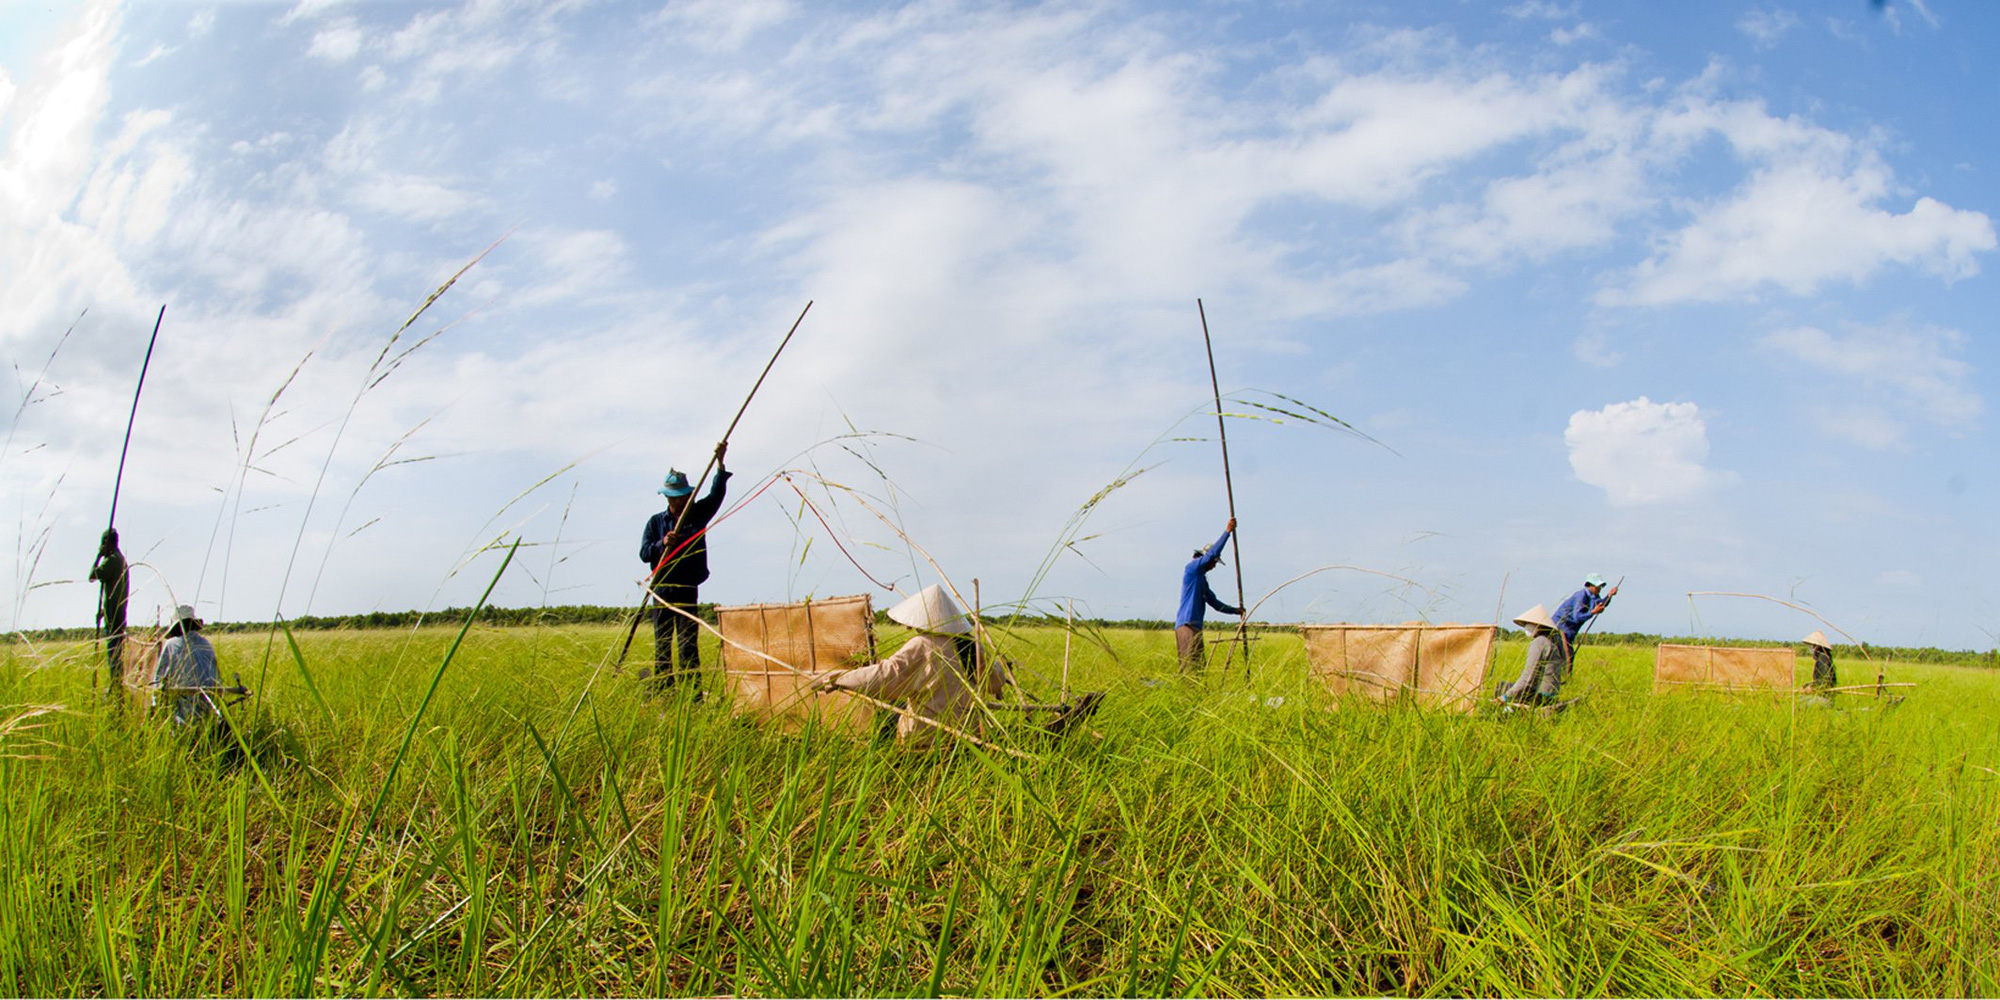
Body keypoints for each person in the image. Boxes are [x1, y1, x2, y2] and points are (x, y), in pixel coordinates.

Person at [814, 584, 1009, 746]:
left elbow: (887, 676)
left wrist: (838, 679)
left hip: (928, 736)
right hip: (970, 734)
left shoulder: (923, 645)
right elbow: (995, 680)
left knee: (886, 718)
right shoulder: (971, 645)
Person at [638, 443, 730, 693]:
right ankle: (665, 692)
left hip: (687, 589)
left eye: (684, 497)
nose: (681, 501)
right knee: (662, 645)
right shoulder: (656, 522)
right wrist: (662, 543)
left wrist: (721, 464)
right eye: (676, 498)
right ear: (668, 498)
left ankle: (692, 697)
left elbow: (716, 496)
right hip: (662, 590)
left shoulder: (697, 515)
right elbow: (644, 553)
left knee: (688, 644)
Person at [1174, 517, 1242, 671]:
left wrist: (1235, 611)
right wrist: (1227, 532)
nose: (1213, 566)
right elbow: (1211, 555)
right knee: (1189, 669)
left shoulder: (1202, 582)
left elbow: (1216, 604)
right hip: (1187, 625)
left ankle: (1197, 694)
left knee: (1198, 668)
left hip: (1195, 627)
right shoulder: (1192, 569)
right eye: (1213, 562)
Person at [152, 604, 220, 725]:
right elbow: (217, 676)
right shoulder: (206, 644)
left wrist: (155, 705)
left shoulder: (171, 644)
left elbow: (159, 680)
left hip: (183, 705)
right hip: (210, 704)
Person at [87, 528, 129, 690]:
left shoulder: (111, 560)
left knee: (114, 659)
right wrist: (104, 610)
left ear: (106, 543)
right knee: (116, 657)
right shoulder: (121, 560)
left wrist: (98, 557)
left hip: (114, 619)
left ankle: (115, 690)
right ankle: (115, 689)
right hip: (117, 615)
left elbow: (92, 576)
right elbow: (115, 591)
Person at [1501, 604, 1565, 705]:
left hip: (1541, 696)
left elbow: (1528, 677)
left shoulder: (1539, 642)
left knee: (1501, 688)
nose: (1526, 627)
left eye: (1528, 624)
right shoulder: (1550, 641)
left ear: (1538, 626)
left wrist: (1505, 696)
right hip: (1550, 694)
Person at [1552, 573, 1618, 659]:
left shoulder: (1594, 597)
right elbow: (1577, 617)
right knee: (1567, 658)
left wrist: (1610, 595)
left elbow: (1602, 604)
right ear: (1590, 585)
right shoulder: (1581, 595)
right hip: (1560, 629)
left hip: (1569, 632)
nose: (1599, 589)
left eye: (1600, 586)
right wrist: (1593, 612)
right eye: (1597, 586)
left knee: (1567, 658)